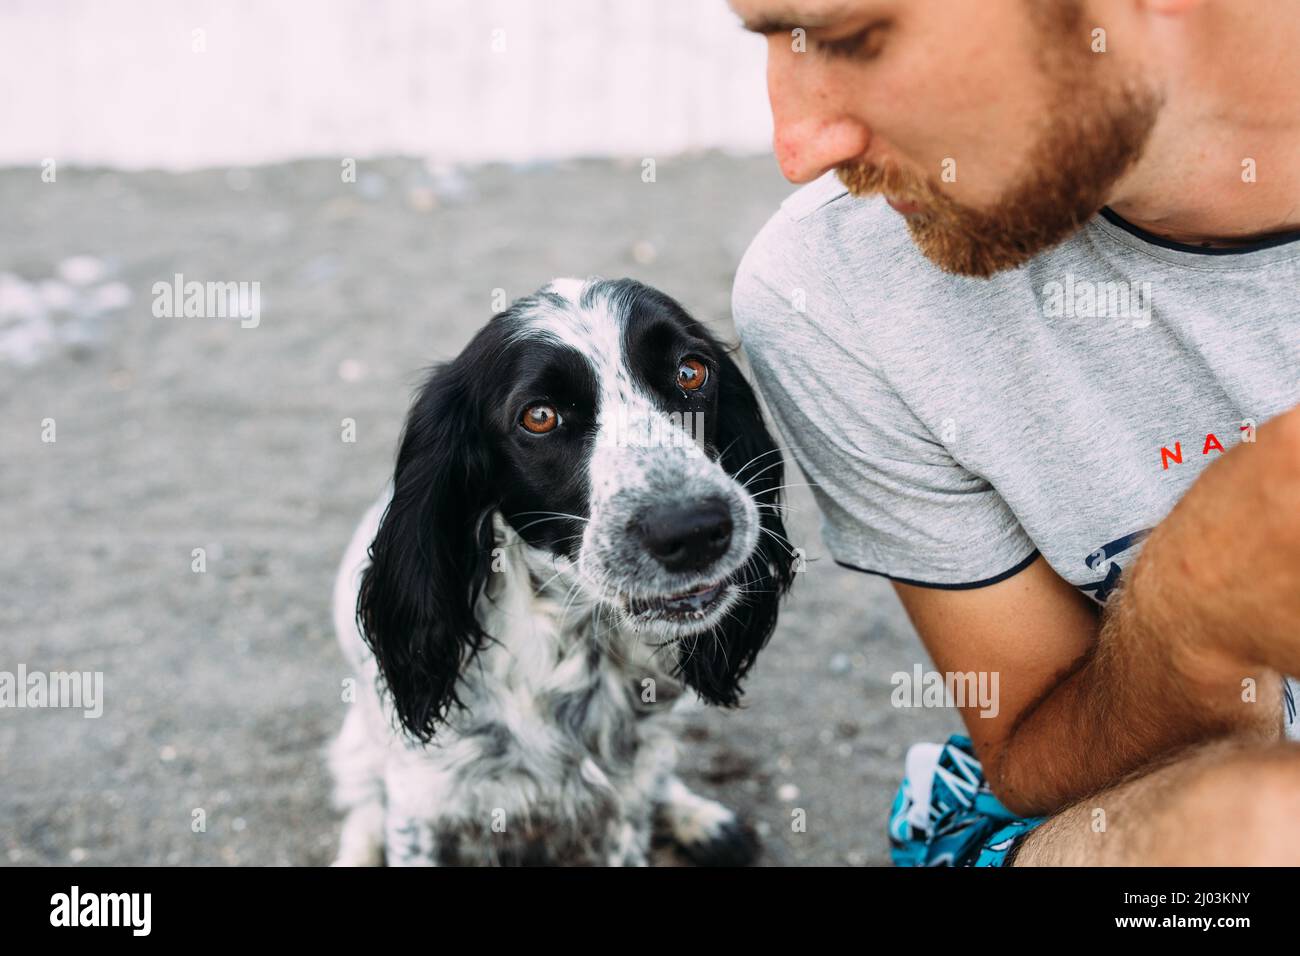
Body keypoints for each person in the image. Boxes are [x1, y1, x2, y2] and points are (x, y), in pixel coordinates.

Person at [728, 0, 1300, 865]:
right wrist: (1193, 610)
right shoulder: (840, 285)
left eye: (851, 38)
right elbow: (1035, 757)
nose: (799, 146)